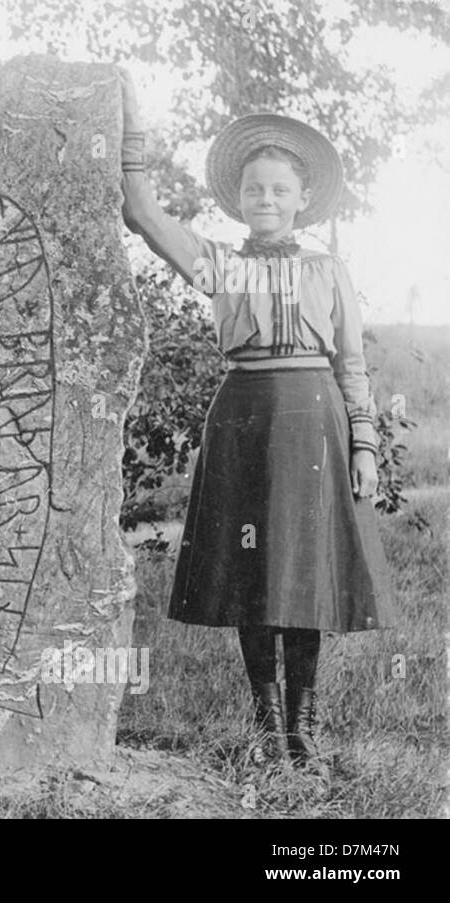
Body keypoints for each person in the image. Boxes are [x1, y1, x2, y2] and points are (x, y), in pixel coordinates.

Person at [118, 71, 396, 784]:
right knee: (253, 574)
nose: (266, 200)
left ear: (304, 199)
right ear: (237, 200)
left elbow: (354, 362)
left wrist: (364, 443)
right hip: (243, 417)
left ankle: (306, 726)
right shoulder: (220, 265)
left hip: (314, 422)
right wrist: (130, 128)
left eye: (279, 190)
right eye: (253, 190)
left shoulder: (329, 270)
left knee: (304, 574)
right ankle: (267, 725)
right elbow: (145, 216)